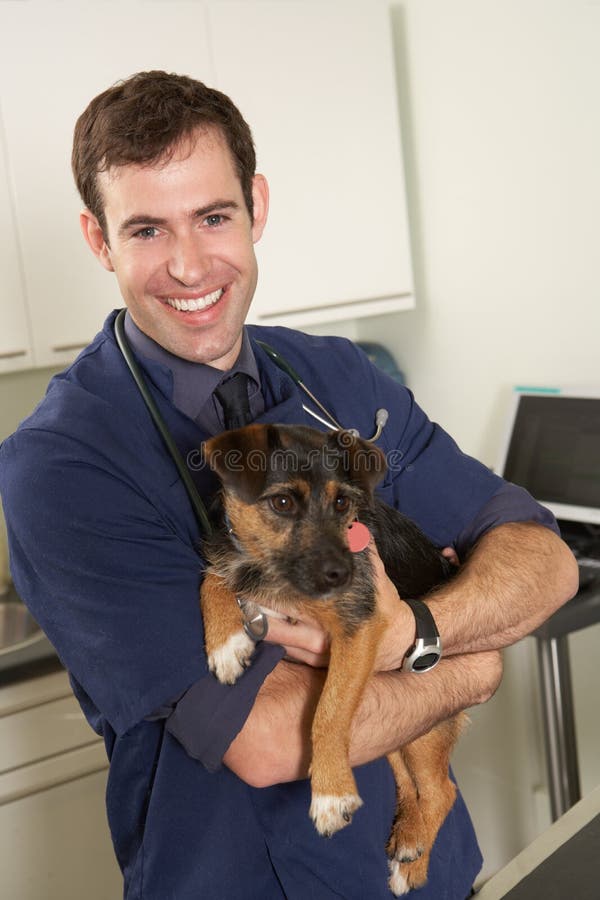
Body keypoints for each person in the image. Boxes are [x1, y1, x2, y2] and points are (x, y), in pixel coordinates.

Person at [0, 71, 577, 899]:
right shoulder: (61, 465)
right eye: (147, 230)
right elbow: (266, 742)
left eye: (213, 216)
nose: (190, 264)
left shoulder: (339, 374)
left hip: (432, 874)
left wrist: (417, 628)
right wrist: (467, 666)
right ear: (99, 241)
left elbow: (541, 558)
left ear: (257, 205)